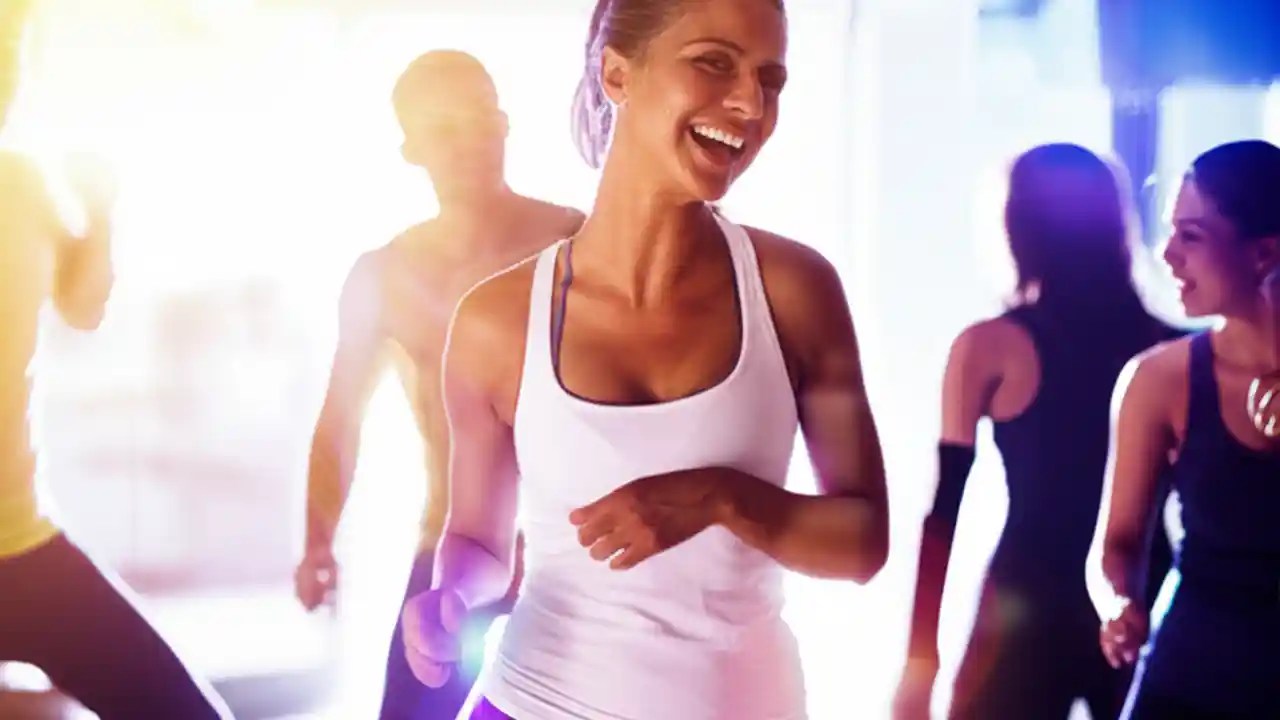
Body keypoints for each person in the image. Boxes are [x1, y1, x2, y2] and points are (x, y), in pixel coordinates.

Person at [399, 1, 890, 718]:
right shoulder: (495, 322)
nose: (751, 104)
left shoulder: (793, 291)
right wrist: (448, 597)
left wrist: (721, 497)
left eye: (770, 79)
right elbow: (479, 541)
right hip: (535, 700)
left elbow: (863, 540)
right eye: (714, 63)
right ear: (617, 74)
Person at [294, 49, 584, 720]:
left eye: (481, 118)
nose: (470, 141)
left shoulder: (577, 244)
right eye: (444, 128)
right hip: (453, 558)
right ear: (411, 149)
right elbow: (340, 421)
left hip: (571, 555)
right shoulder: (384, 276)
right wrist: (317, 542)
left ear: (505, 123)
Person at [892, 143, 1181, 720]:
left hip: (1026, 603)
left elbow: (942, 513)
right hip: (1139, 598)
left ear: (1017, 227)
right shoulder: (1175, 353)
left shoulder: (988, 348)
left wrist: (919, 663)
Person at [0, 16, 231, 720]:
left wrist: (102, 212)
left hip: (24, 543)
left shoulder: (24, 183)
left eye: (12, 52)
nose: (7, 70)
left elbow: (83, 306)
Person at [1089, 139, 1280, 719]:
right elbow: (1117, 542)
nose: (1166, 254)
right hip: (1189, 682)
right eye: (1170, 232)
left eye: (1191, 237)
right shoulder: (1158, 379)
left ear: (1263, 254)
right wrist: (1118, 602)